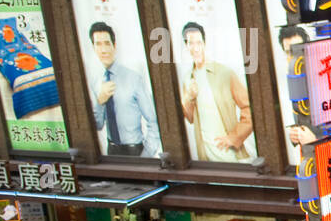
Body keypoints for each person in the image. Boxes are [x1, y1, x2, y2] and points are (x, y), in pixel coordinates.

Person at [178, 22, 255, 162]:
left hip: (231, 156)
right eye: (190, 43)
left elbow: (250, 108)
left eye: (199, 43)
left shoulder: (224, 73)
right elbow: (190, 118)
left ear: (204, 43)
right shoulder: (187, 78)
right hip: (206, 157)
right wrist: (188, 98)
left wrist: (234, 137)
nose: (195, 48)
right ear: (186, 46)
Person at [88, 22, 161, 157]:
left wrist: (146, 156)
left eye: (106, 43)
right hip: (111, 151)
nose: (103, 50)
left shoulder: (133, 78)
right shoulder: (96, 81)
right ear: (93, 48)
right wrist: (100, 101)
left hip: (135, 151)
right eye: (98, 44)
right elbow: (97, 125)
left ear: (114, 46)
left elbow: (153, 120)